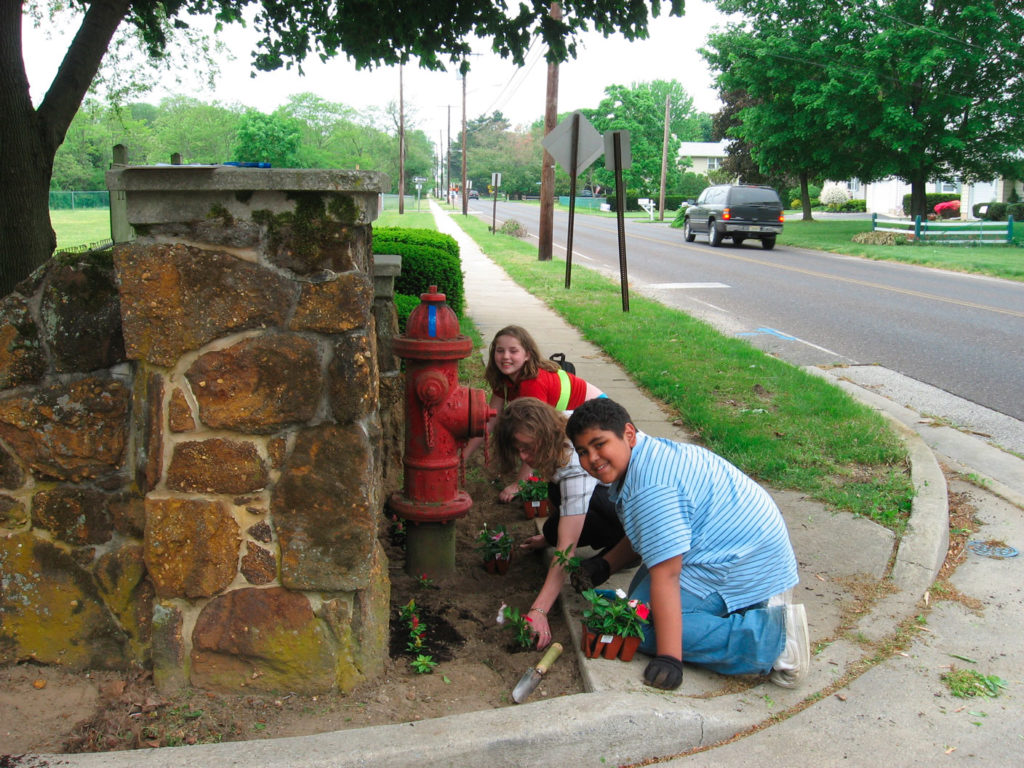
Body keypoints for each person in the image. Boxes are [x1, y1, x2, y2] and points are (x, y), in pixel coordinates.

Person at [565, 397, 810, 691]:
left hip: (746, 564)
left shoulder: (651, 488)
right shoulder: (646, 455)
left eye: (599, 443)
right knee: (639, 602)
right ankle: (740, 610)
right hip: (733, 547)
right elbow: (649, 529)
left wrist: (670, 657)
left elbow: (667, 575)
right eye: (582, 451)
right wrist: (604, 565)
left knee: (638, 624)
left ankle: (773, 642)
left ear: (628, 434)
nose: (592, 458)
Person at [493, 398, 625, 650]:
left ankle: (624, 548)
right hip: (597, 491)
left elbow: (567, 548)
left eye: (527, 447)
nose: (523, 456)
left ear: (543, 433)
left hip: (622, 509)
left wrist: (538, 610)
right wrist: (547, 538)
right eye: (517, 448)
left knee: (567, 535)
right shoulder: (556, 426)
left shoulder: (575, 461)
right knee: (552, 531)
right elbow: (556, 491)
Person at [465, 325, 605, 501]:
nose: (505, 356)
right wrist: (462, 457)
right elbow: (490, 420)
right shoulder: (505, 379)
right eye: (500, 351)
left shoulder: (532, 383)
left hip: (596, 415)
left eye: (513, 351)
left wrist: (519, 484)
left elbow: (535, 439)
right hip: (573, 417)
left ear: (527, 355)